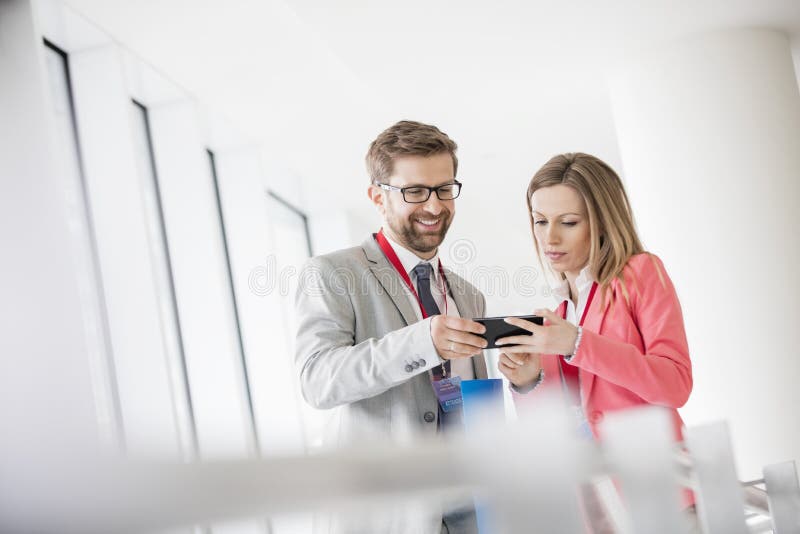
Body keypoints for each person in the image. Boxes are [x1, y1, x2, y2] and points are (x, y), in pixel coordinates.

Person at [295, 120, 489, 534]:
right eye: (415, 191)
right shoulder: (332, 273)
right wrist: (422, 341)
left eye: (443, 189)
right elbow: (317, 381)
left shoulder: (468, 296)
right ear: (377, 197)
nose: (434, 206)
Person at [497, 151, 692, 443]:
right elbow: (548, 434)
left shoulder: (640, 273)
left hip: (655, 476)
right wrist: (526, 383)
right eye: (540, 221)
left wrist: (578, 343)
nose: (550, 238)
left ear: (601, 222)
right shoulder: (556, 319)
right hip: (591, 485)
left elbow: (675, 385)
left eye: (569, 222)